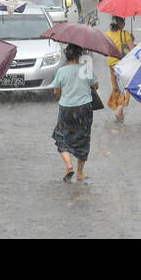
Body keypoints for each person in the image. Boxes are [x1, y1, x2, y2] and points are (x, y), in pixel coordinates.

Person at [50, 44, 99, 182]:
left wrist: (63, 99)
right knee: (83, 137)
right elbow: (96, 85)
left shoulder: (61, 71)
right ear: (79, 55)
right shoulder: (85, 69)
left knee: (62, 136)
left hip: (66, 108)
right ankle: (80, 172)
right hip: (84, 108)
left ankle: (69, 165)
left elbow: (56, 91)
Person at [103, 16, 134, 123]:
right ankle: (120, 108)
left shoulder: (107, 35)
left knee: (116, 88)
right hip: (122, 66)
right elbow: (132, 50)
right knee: (126, 88)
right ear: (120, 24)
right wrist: (131, 40)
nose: (125, 24)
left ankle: (120, 114)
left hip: (112, 66)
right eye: (124, 22)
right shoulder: (125, 34)